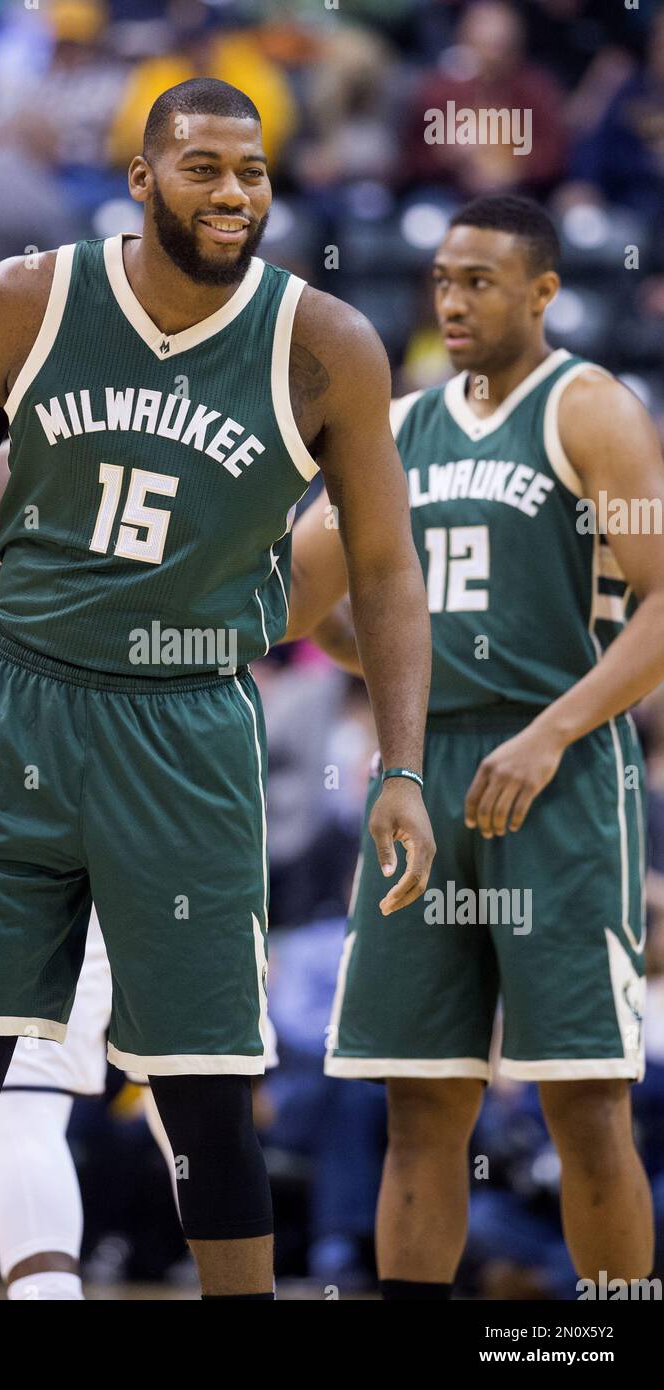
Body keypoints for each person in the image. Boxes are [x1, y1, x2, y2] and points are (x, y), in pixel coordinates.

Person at [0, 77, 433, 1302]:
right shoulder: (27, 301)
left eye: (253, 171)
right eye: (204, 166)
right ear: (141, 177)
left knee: (207, 1088)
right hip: (19, 706)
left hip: (188, 724)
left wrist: (404, 766)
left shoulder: (325, 344)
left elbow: (383, 571)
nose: (234, 192)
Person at [301, 194, 662, 1299]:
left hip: (556, 772)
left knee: (583, 1091)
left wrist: (549, 735)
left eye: (480, 282)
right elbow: (309, 600)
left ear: (543, 291)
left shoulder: (588, 408)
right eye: (443, 281)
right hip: (422, 774)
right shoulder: (398, 424)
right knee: (418, 1094)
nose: (452, 301)